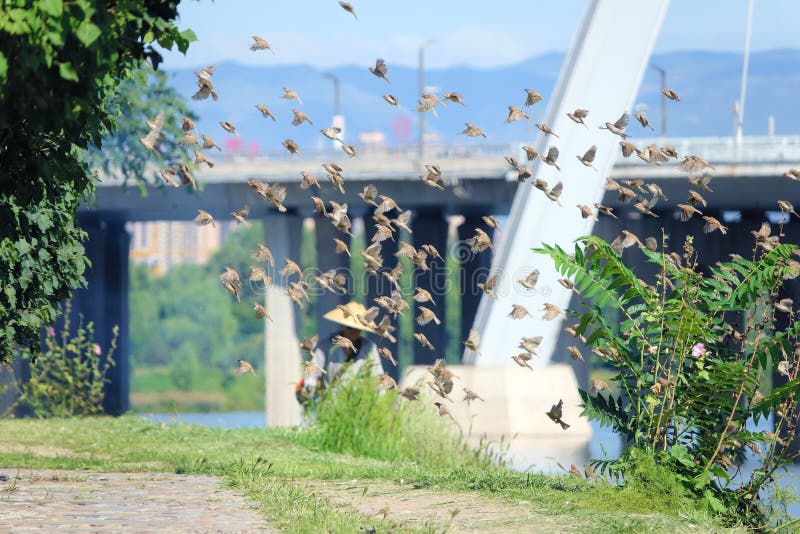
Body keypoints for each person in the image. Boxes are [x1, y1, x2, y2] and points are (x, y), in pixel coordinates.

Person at [297, 301, 385, 404]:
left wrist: (378, 405)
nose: (354, 331)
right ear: (342, 325)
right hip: (331, 406)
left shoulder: (369, 348)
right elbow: (312, 373)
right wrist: (308, 391)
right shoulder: (326, 346)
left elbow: (377, 377)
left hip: (358, 405)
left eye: (357, 328)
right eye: (350, 327)